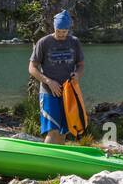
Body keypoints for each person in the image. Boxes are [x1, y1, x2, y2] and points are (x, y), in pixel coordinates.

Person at [28, 11, 85, 144]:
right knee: (53, 131)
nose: (61, 34)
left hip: (68, 93)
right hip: (48, 93)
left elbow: (81, 65)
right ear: (54, 27)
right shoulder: (43, 42)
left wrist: (77, 75)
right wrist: (48, 81)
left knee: (63, 131)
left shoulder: (74, 42)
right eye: (58, 31)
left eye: (64, 31)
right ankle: (43, 162)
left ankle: (59, 163)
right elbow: (32, 68)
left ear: (68, 29)